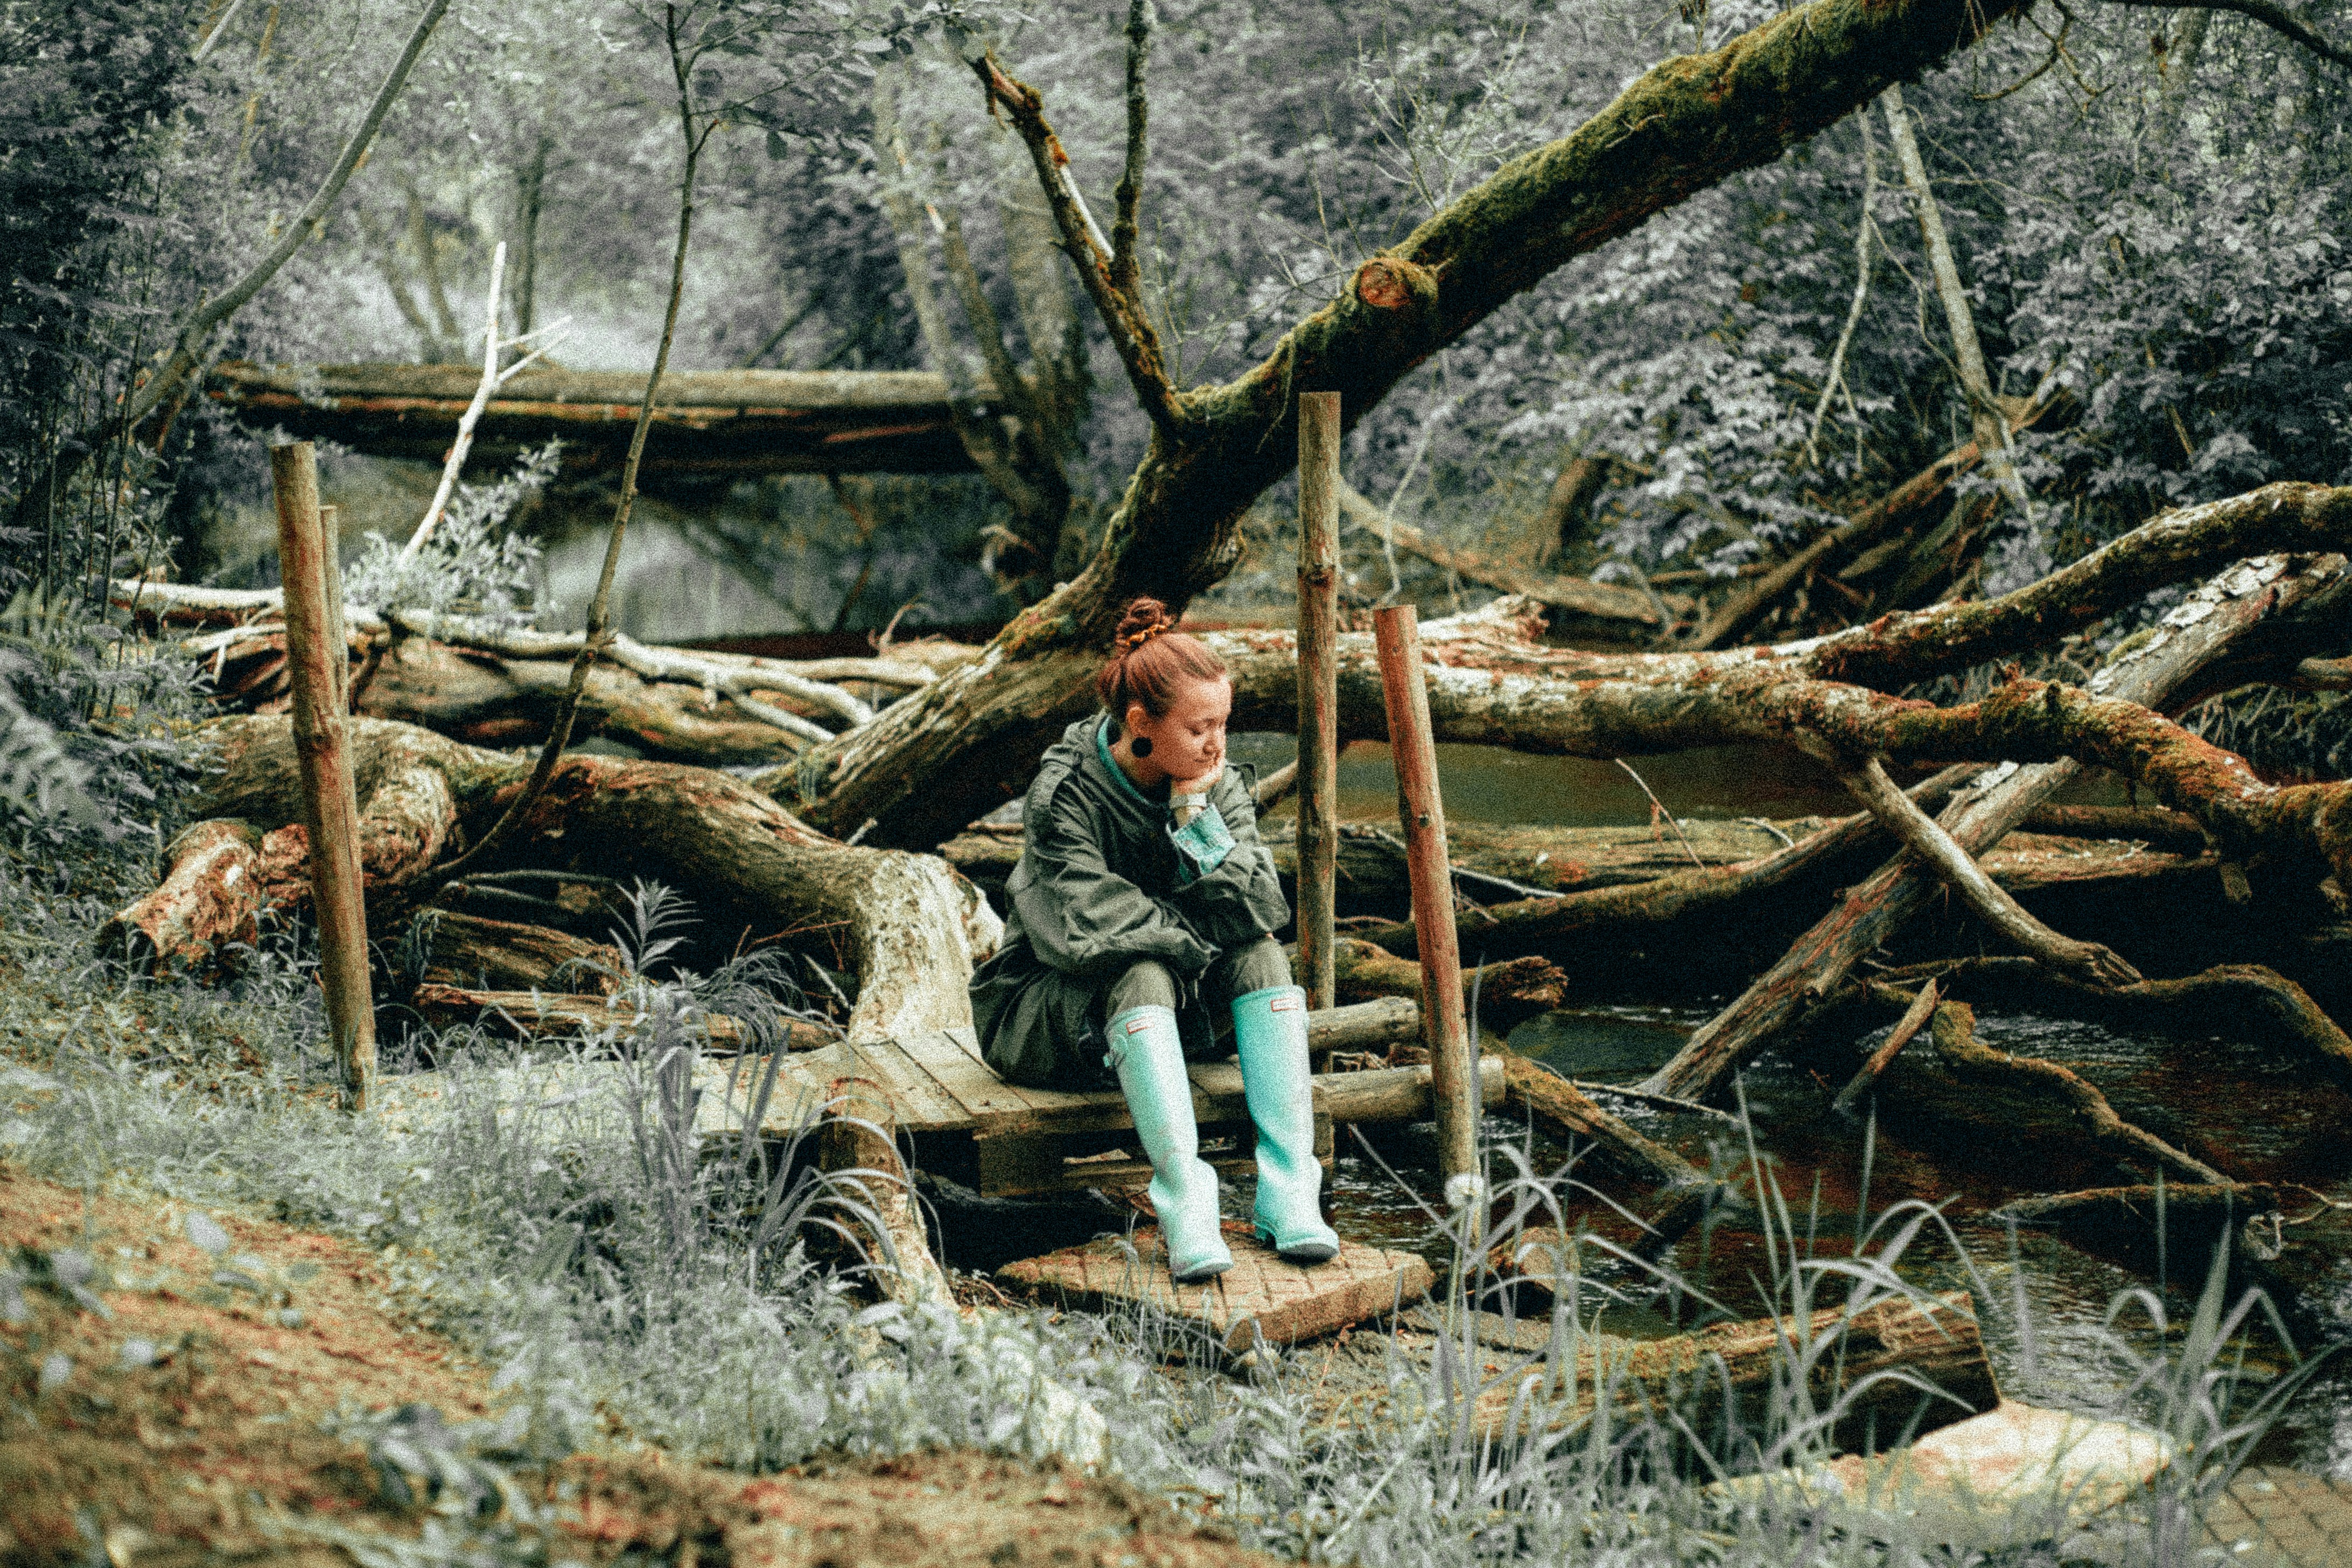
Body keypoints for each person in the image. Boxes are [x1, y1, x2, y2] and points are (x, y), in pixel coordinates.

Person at [969, 597, 1340, 1282]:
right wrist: (1199, 942)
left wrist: (1196, 817)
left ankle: (1290, 1192)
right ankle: (1186, 1204)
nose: (1217, 744)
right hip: (1050, 1013)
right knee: (1141, 969)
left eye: (1223, 723)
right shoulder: (1064, 796)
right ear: (1141, 723)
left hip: (1172, 1002)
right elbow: (1092, 929)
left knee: (1262, 959)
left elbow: (1263, 906)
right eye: (1200, 727)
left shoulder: (1211, 783)